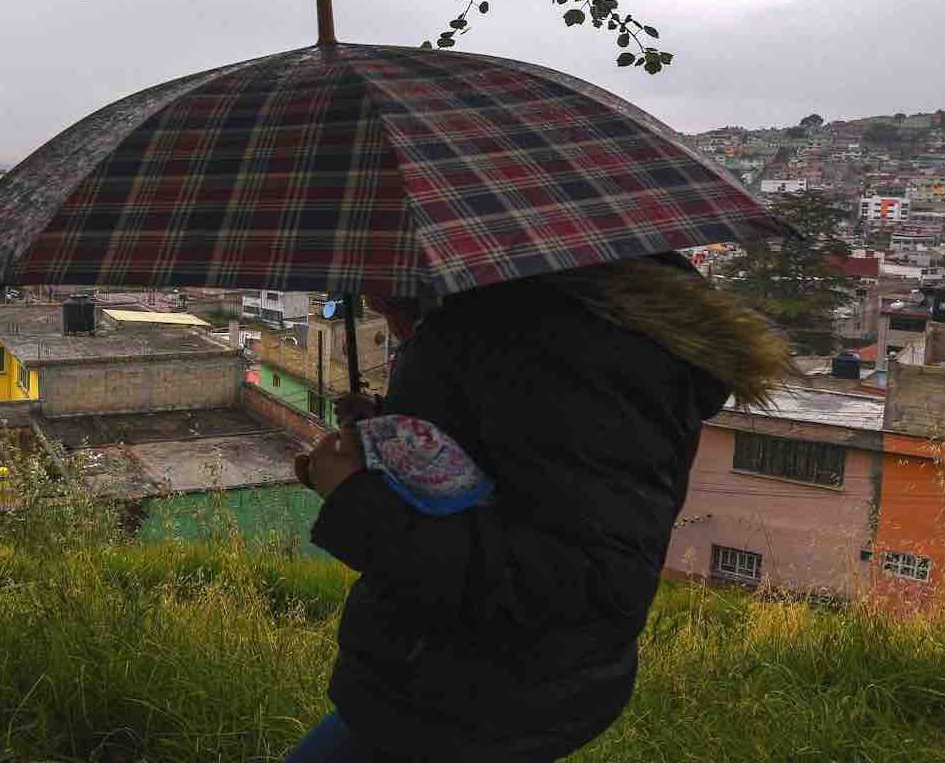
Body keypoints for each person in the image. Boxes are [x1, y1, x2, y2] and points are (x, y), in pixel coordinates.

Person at [288, 255, 791, 762]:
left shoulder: (525, 343)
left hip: (465, 699)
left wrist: (355, 498)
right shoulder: (547, 323)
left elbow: (576, 578)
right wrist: (390, 438)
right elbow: (508, 462)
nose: (374, 303)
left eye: (385, 286)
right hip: (507, 685)